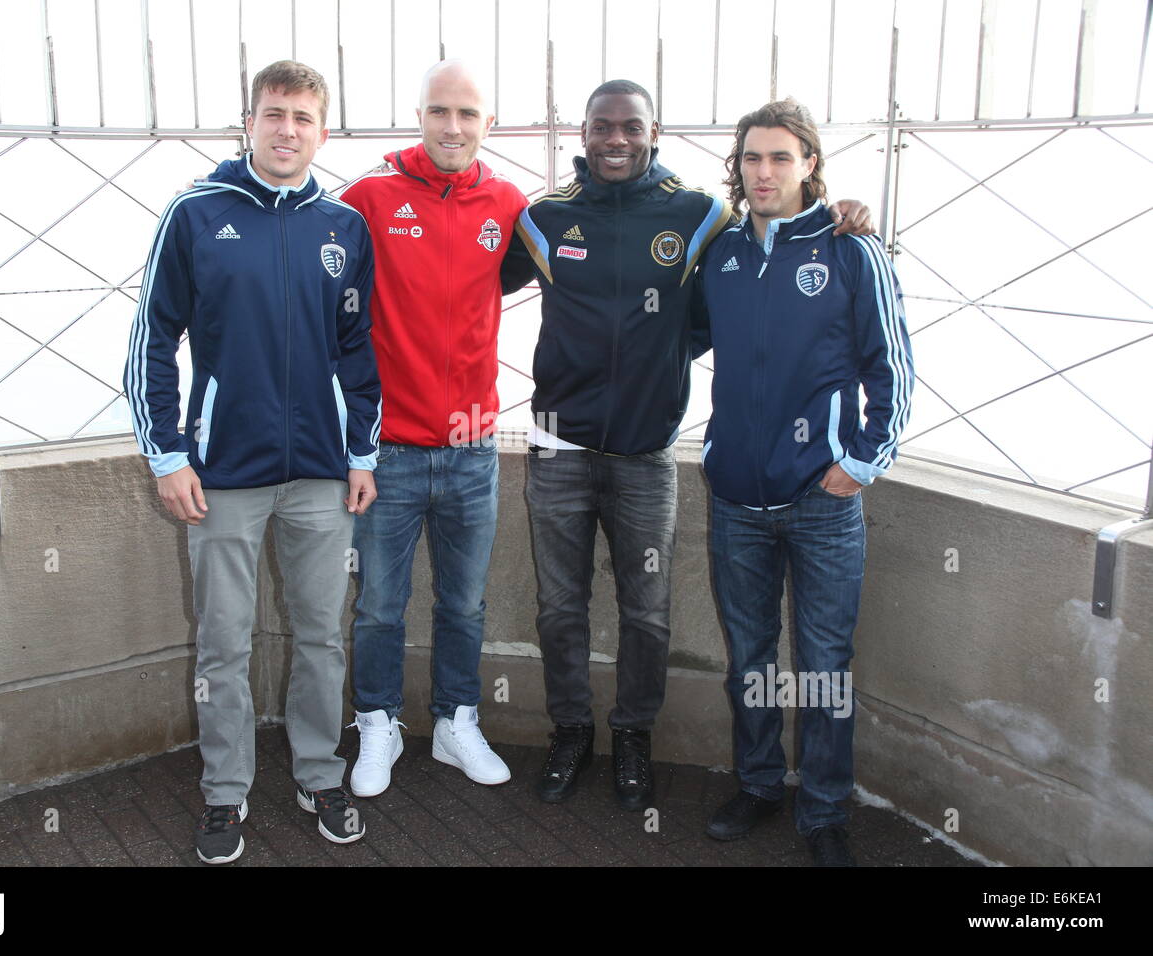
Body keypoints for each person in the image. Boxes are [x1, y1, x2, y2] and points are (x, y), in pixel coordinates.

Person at [504, 80, 873, 811]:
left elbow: (757, 262)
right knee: (559, 608)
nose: (616, 139)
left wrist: (845, 213)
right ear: (582, 133)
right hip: (556, 451)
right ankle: (571, 730)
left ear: (654, 131)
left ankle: (633, 734)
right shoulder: (543, 219)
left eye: (630, 127)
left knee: (646, 611)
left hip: (646, 456)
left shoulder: (700, 213)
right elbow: (468, 272)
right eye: (602, 127)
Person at [123, 60, 381, 863]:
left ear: (322, 132)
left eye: (303, 118)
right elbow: (151, 343)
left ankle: (317, 772)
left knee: (320, 637)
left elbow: (355, 348)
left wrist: (362, 450)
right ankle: (225, 793)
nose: (287, 130)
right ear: (250, 121)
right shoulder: (195, 214)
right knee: (224, 644)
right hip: (223, 475)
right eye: (274, 114)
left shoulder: (342, 226)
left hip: (320, 474)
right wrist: (168, 454)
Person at [694, 97, 913, 866]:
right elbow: (666, 335)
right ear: (738, 165)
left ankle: (822, 810)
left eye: (781, 157)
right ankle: (758, 783)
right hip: (735, 499)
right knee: (750, 654)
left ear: (810, 164)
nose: (764, 172)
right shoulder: (719, 254)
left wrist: (858, 465)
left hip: (821, 502)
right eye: (752, 158)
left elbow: (893, 369)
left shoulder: (851, 249)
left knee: (823, 664)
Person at [332, 60, 529, 797]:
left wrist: (830, 210)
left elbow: (591, 238)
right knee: (380, 605)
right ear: (418, 115)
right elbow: (302, 252)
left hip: (474, 447)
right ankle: (377, 723)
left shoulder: (508, 202)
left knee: (464, 602)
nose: (454, 127)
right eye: (440, 112)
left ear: (487, 124)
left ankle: (455, 722)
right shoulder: (370, 197)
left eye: (468, 115)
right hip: (385, 454)